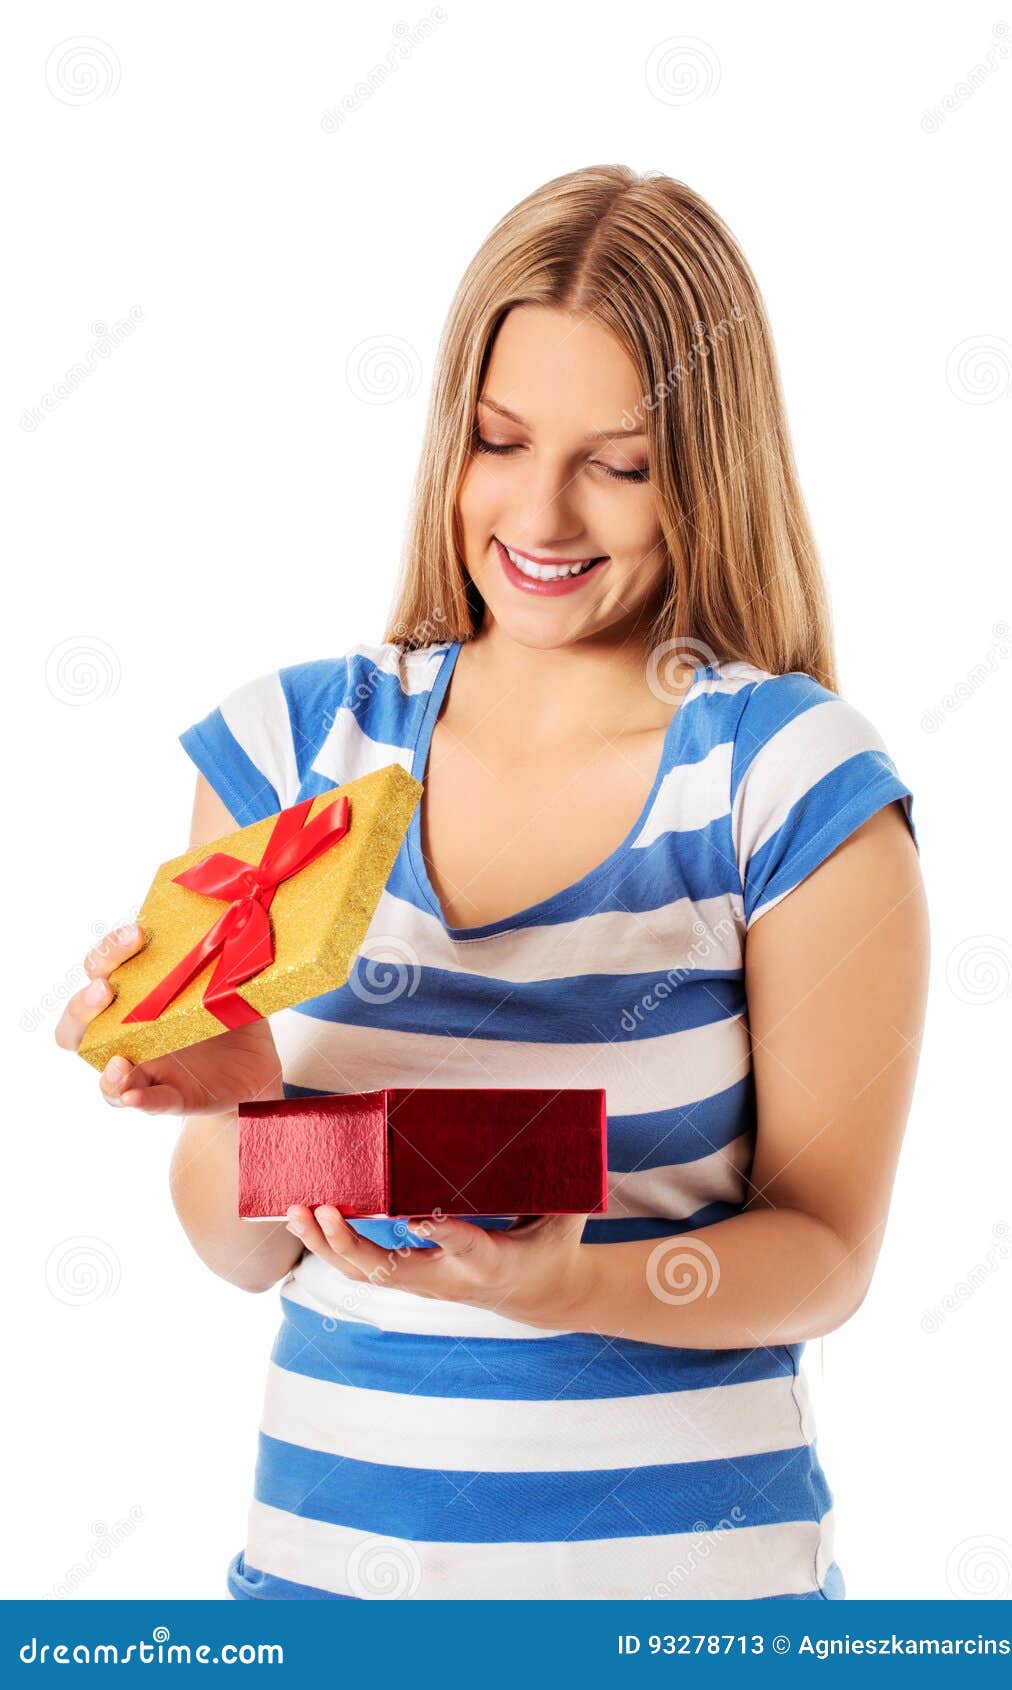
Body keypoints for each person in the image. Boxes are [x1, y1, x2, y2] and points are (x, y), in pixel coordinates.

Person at [56, 164, 929, 1601]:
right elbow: (236, 1246)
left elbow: (827, 1255)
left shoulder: (783, 779)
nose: (542, 510)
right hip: (330, 1594)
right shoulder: (295, 749)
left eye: (621, 462)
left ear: (708, 468)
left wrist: (563, 1285)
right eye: (500, 439)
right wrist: (249, 1095)